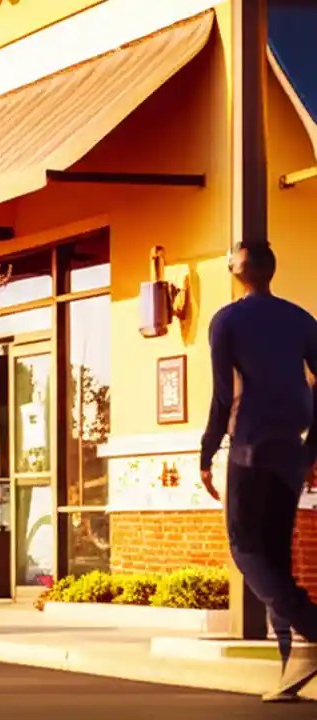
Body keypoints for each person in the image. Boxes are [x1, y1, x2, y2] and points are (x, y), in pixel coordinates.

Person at [200, 242, 317, 702]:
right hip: (290, 451)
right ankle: (291, 668)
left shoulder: (226, 320)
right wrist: (311, 451)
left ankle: (310, 627)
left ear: (237, 269)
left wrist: (207, 451)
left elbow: (222, 398)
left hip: (249, 450)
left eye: (230, 257)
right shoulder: (301, 319)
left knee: (246, 548)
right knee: (274, 557)